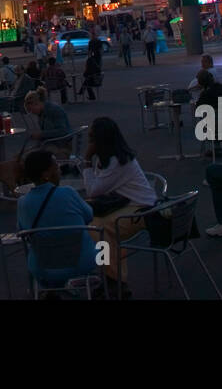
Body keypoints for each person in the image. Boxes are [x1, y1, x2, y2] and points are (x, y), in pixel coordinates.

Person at [81, 117, 157, 296]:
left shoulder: (115, 162)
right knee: (98, 227)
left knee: (97, 228)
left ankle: (114, 279)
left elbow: (93, 190)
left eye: (91, 138)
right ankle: (112, 276)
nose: (89, 141)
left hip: (142, 210)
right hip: (133, 204)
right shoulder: (113, 157)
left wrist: (86, 161)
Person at [16, 150, 99, 293]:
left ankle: (52, 289)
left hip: (43, 267)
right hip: (81, 262)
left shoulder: (23, 203)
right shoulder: (68, 193)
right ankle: (108, 282)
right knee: (106, 243)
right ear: (46, 174)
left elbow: (23, 231)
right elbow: (89, 215)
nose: (60, 171)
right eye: (56, 167)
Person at [23, 88, 72, 152]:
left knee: (27, 158)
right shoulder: (42, 112)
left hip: (60, 145)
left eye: (31, 110)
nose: (32, 113)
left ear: (37, 103)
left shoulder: (53, 110)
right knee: (21, 156)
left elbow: (63, 131)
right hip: (50, 143)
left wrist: (41, 135)